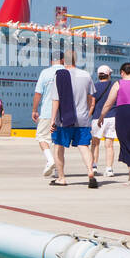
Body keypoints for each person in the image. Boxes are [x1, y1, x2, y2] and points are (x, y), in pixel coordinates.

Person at [95, 62, 130, 187]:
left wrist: (101, 117)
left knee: (127, 144)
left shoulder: (118, 83)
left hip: (125, 114)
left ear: (122, 72)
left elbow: (109, 103)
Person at [49, 50, 98, 188]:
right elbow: (90, 98)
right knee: (84, 146)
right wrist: (88, 113)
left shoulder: (59, 76)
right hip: (83, 118)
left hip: (64, 118)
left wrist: (53, 120)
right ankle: (90, 172)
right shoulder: (86, 75)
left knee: (59, 147)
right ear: (76, 60)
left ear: (63, 61)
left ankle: (61, 178)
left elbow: (56, 100)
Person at [32, 59, 60, 178]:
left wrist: (34, 110)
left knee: (42, 137)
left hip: (47, 112)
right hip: (63, 114)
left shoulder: (45, 72)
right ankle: (59, 171)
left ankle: (50, 160)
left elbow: (38, 93)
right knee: (58, 142)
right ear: (63, 60)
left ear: (51, 60)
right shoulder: (69, 72)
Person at [89, 65, 117, 176]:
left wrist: (87, 116)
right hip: (112, 117)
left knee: (95, 144)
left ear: (98, 75)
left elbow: (92, 104)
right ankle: (109, 169)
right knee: (109, 145)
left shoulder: (94, 87)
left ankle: (94, 166)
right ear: (109, 74)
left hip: (97, 118)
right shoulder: (114, 86)